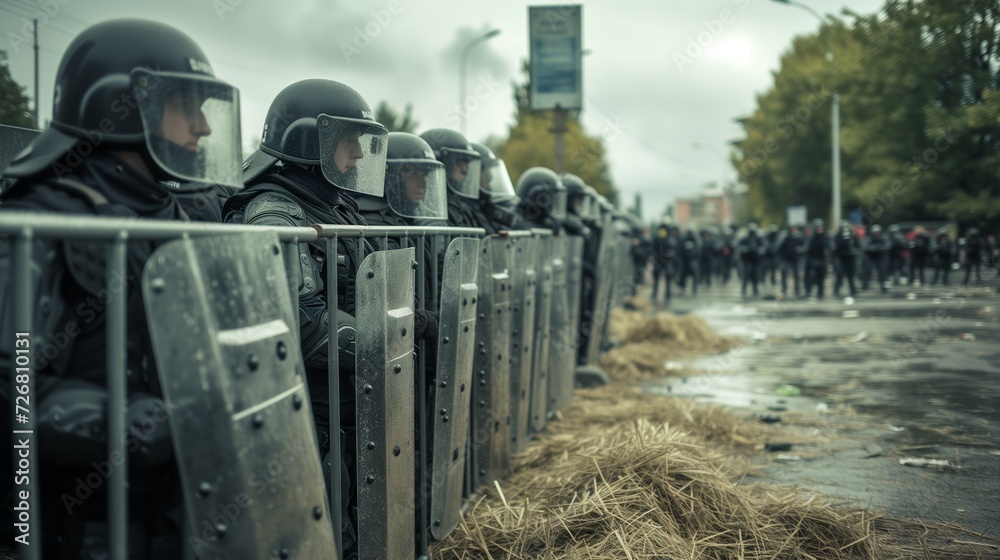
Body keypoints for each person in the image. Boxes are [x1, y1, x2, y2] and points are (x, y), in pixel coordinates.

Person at [0, 19, 242, 559]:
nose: (204, 127)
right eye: (187, 105)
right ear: (126, 105)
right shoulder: (41, 219)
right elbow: (11, 386)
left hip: (172, 509)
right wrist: (146, 426)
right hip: (77, 525)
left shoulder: (171, 213)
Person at [222, 78, 388, 556]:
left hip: (338, 408)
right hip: (302, 417)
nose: (359, 153)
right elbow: (301, 322)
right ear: (310, 143)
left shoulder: (330, 205)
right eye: (349, 139)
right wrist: (388, 338)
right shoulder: (274, 213)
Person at [803, 219, 829, 299]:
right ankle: (808, 291)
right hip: (813, 261)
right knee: (811, 278)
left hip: (822, 261)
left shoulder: (825, 237)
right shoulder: (811, 238)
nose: (820, 230)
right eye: (818, 228)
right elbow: (807, 249)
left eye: (821, 228)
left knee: (821, 278)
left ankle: (820, 293)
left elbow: (829, 248)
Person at [832, 222, 859, 297]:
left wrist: (855, 251)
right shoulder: (837, 237)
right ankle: (836, 289)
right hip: (841, 259)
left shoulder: (852, 237)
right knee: (840, 275)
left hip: (850, 259)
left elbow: (858, 245)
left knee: (851, 276)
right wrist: (843, 239)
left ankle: (853, 291)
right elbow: (835, 248)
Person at [777, 224, 805, 298]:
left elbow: (804, 246)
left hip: (795, 259)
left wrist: (800, 250)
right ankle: (784, 289)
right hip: (786, 258)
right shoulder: (785, 238)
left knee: (796, 274)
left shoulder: (799, 238)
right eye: (792, 229)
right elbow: (779, 248)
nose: (794, 231)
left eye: (795, 229)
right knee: (784, 272)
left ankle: (797, 290)